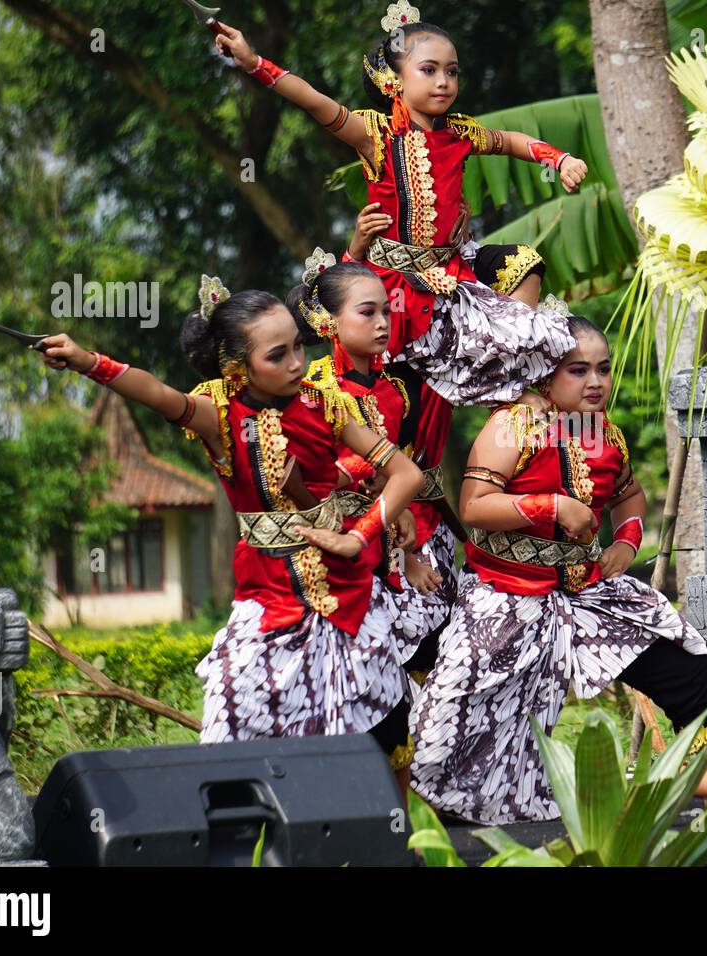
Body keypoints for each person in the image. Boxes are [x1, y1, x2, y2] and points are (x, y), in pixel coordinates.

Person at [37, 276, 423, 794]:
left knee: (383, 729)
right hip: (268, 599)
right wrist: (89, 363)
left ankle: (394, 850)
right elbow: (155, 393)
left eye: (298, 349)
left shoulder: (325, 404)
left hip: (347, 594)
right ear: (238, 366)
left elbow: (406, 475)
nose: (294, 364)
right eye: (277, 355)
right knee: (237, 721)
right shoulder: (219, 414)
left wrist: (360, 536)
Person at [410, 314, 707, 824]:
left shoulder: (601, 433)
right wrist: (552, 507)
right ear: (546, 374)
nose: (595, 382)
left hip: (585, 593)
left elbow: (630, 495)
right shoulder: (514, 424)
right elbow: (475, 505)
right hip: (508, 598)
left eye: (603, 369)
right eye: (578, 370)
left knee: (689, 660)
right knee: (447, 734)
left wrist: (626, 541)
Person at [210, 6, 581, 407]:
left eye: (452, 71)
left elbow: (509, 140)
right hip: (394, 282)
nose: (444, 82)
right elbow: (313, 100)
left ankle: (504, 371)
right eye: (429, 70)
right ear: (394, 80)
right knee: (401, 397)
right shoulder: (374, 134)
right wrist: (253, 63)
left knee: (523, 263)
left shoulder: (461, 132)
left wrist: (557, 159)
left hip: (454, 270)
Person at [286, 254, 457, 685]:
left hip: (385, 544)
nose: (383, 323)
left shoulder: (394, 391)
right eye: (367, 313)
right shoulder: (315, 391)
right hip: (330, 543)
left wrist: (410, 555)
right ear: (329, 323)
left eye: (386, 311)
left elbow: (395, 480)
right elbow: (319, 474)